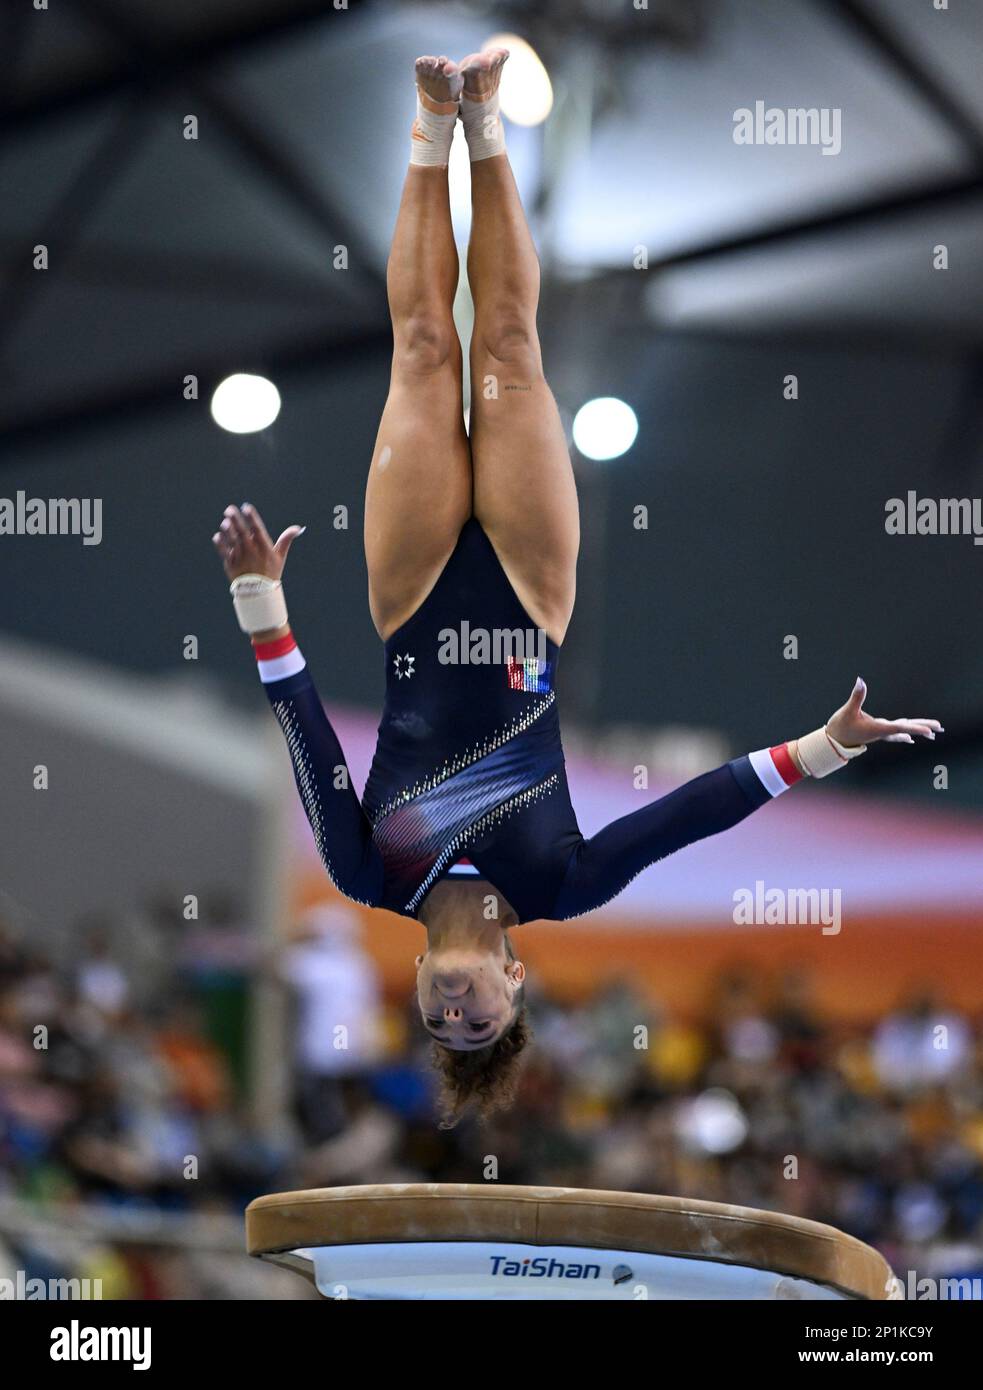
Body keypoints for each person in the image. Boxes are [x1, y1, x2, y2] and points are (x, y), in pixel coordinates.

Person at [212, 51, 941, 1125]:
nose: (456, 1011)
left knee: (422, 349)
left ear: (414, 991)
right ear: (517, 984)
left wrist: (261, 604)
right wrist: (824, 746)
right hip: (525, 588)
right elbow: (690, 813)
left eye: (439, 1023)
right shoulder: (564, 886)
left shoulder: (369, 873)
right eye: (481, 1023)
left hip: (409, 599)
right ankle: (488, 121)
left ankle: (430, 122)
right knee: (506, 344)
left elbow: (306, 737)